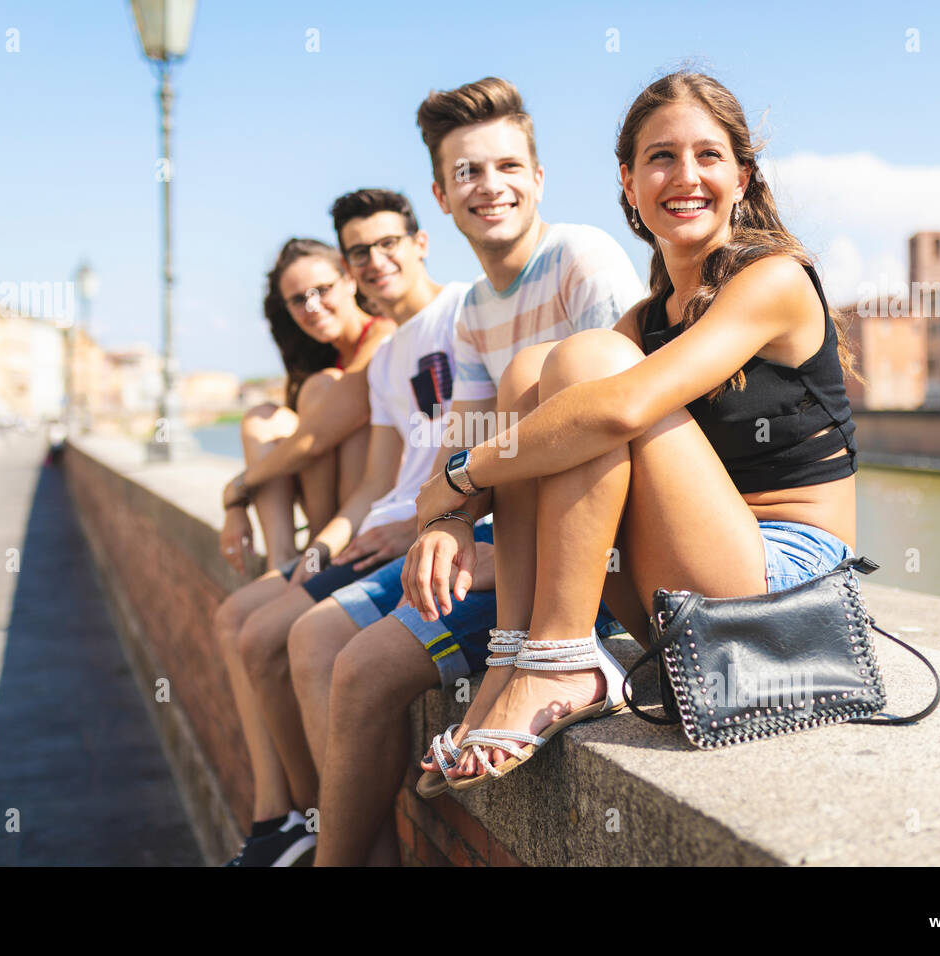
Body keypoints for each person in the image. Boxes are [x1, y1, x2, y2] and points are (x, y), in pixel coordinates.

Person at [405, 70, 865, 787]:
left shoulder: (773, 278)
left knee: (590, 367)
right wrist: (452, 518)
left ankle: (566, 659)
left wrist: (461, 475)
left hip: (781, 588)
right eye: (660, 158)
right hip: (684, 592)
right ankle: (517, 657)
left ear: (742, 177)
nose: (686, 176)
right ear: (628, 181)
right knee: (534, 369)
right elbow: (545, 421)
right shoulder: (647, 317)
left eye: (709, 156)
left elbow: (617, 410)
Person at [296, 76, 643, 866]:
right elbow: (466, 450)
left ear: (538, 177)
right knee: (344, 660)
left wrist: (461, 511)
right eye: (468, 173)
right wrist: (445, 522)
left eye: (507, 167)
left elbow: (617, 422)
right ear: (442, 197)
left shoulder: (582, 259)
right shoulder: (476, 310)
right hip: (506, 543)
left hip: (585, 562)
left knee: (361, 670)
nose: (490, 187)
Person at [225, 189, 473, 866]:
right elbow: (377, 486)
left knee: (289, 638)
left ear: (421, 242)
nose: (375, 260)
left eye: (387, 243)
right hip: (383, 529)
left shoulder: (466, 312)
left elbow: (484, 448)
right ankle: (319, 828)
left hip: (434, 535)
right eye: (360, 250)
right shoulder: (393, 360)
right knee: (260, 633)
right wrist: (327, 543)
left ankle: (328, 836)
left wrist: (426, 523)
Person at [215, 236, 393, 867]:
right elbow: (293, 444)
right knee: (232, 618)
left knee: (303, 403)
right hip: (328, 535)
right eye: (297, 300)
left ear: (351, 278)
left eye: (322, 288)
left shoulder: (381, 341)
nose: (312, 305)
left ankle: (314, 821)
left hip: (361, 534)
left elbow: (317, 437)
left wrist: (235, 488)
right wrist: (238, 503)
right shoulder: (326, 363)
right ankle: (279, 818)